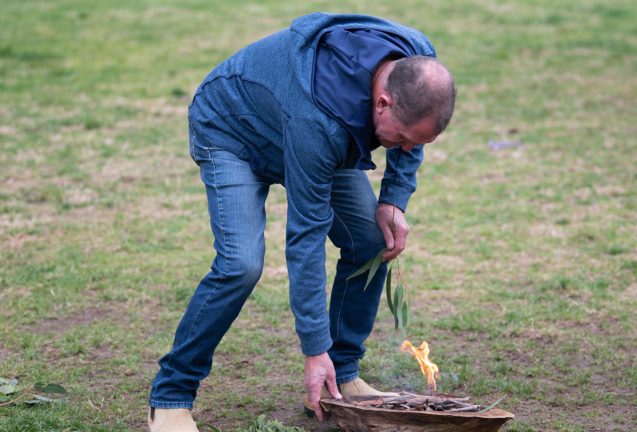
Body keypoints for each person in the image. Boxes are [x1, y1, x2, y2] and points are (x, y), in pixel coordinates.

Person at [146, 12, 456, 432]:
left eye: (412, 142)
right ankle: (171, 396)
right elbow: (305, 238)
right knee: (241, 264)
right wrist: (314, 350)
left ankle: (340, 380)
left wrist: (394, 199)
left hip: (310, 131)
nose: (401, 148)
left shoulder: (415, 61)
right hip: (233, 131)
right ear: (381, 102)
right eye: (399, 138)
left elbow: (411, 136)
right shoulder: (319, 120)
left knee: (370, 241)